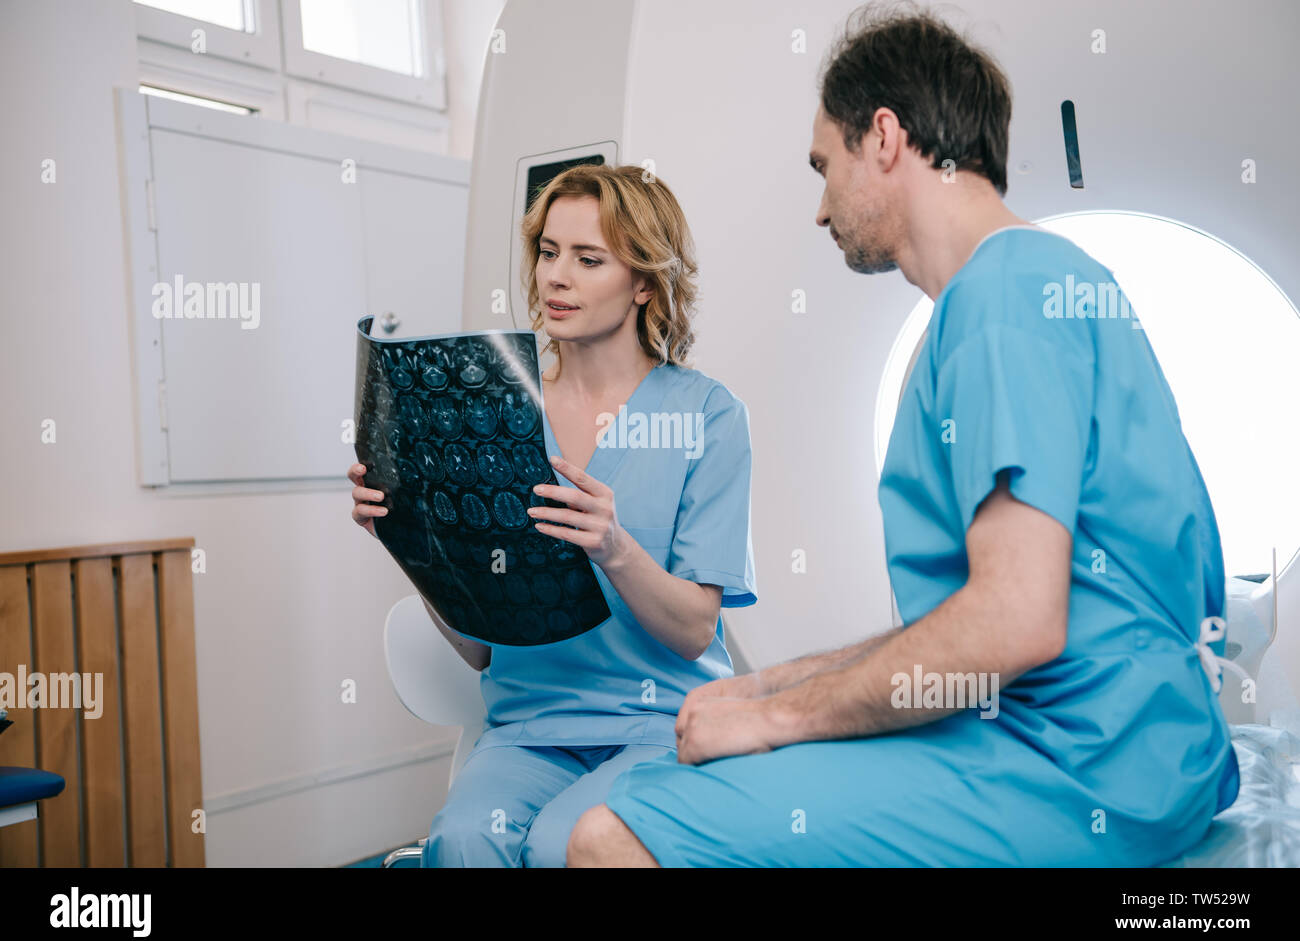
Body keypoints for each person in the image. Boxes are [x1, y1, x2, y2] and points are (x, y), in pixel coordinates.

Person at [567, 2, 1239, 867]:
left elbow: (1012, 623)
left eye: (824, 164)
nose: (819, 210)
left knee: (612, 835)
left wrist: (775, 717)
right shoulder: (1041, 283)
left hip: (1080, 764)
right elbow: (977, 612)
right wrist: (769, 682)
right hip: (1143, 746)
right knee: (669, 779)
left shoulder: (1001, 302)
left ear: (883, 137)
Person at [348, 164, 757, 867]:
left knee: (559, 844)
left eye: (588, 258)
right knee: (461, 841)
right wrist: (413, 543)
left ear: (644, 284)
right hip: (527, 725)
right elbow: (480, 647)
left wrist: (615, 547)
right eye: (548, 251)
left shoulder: (709, 416)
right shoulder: (495, 412)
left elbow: (694, 630)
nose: (555, 276)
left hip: (661, 722)